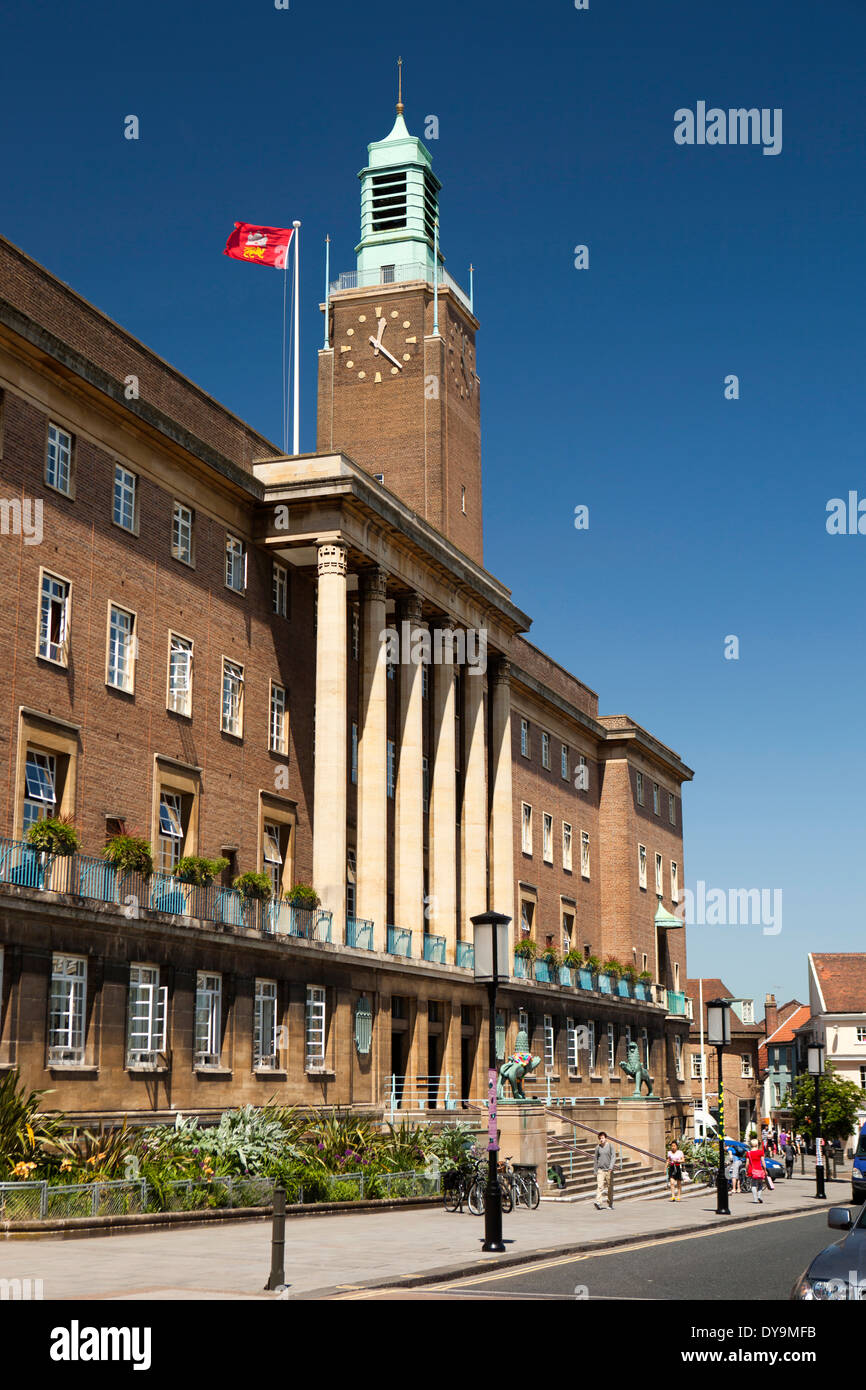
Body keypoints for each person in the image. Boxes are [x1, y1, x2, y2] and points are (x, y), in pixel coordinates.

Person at [593, 1131, 615, 1209]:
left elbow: (613, 1157)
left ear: (605, 1138)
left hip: (609, 1170)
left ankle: (610, 1204)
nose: (601, 1140)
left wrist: (611, 1167)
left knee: (610, 1188)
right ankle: (598, 1202)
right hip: (601, 1170)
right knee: (600, 1186)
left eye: (602, 1138)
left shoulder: (610, 1146)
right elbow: (595, 1159)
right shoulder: (597, 1147)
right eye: (600, 1138)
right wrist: (595, 1170)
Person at [746, 1138, 768, 1203]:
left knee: (753, 1184)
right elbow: (763, 1162)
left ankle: (755, 1199)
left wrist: (746, 1170)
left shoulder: (748, 1153)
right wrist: (765, 1169)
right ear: (757, 1144)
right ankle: (759, 1196)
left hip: (752, 1170)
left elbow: (747, 1163)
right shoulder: (760, 1152)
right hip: (759, 1169)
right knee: (760, 1184)